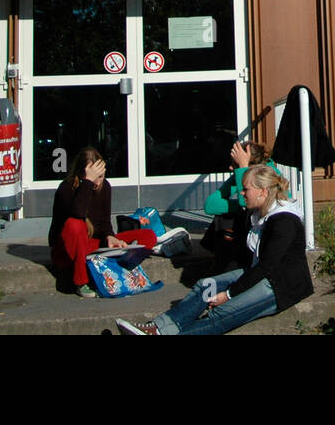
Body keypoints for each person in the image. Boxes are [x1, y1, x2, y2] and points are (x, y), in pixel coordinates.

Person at [117, 164, 312, 335]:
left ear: (263, 191)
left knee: (221, 313)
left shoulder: (284, 220)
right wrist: (224, 285)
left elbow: (267, 266)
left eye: (246, 189)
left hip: (279, 285)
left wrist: (228, 294)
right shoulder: (256, 215)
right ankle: (158, 328)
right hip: (257, 273)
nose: (242, 194)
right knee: (205, 286)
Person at [49, 146, 157, 298]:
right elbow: (78, 213)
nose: (98, 182)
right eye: (94, 177)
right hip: (67, 250)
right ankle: (81, 282)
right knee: (75, 224)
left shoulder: (104, 186)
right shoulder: (66, 188)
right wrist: (87, 183)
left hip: (91, 245)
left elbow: (104, 222)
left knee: (148, 235)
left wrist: (110, 236)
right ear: (82, 174)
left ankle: (117, 265)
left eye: (101, 176)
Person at [201, 140, 283, 273]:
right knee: (223, 218)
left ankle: (226, 267)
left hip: (269, 225)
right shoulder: (240, 173)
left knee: (228, 221)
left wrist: (243, 167)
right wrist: (242, 207)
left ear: (251, 165)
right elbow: (210, 205)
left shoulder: (269, 174)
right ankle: (222, 266)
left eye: (235, 164)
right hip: (252, 222)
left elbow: (246, 204)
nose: (230, 168)